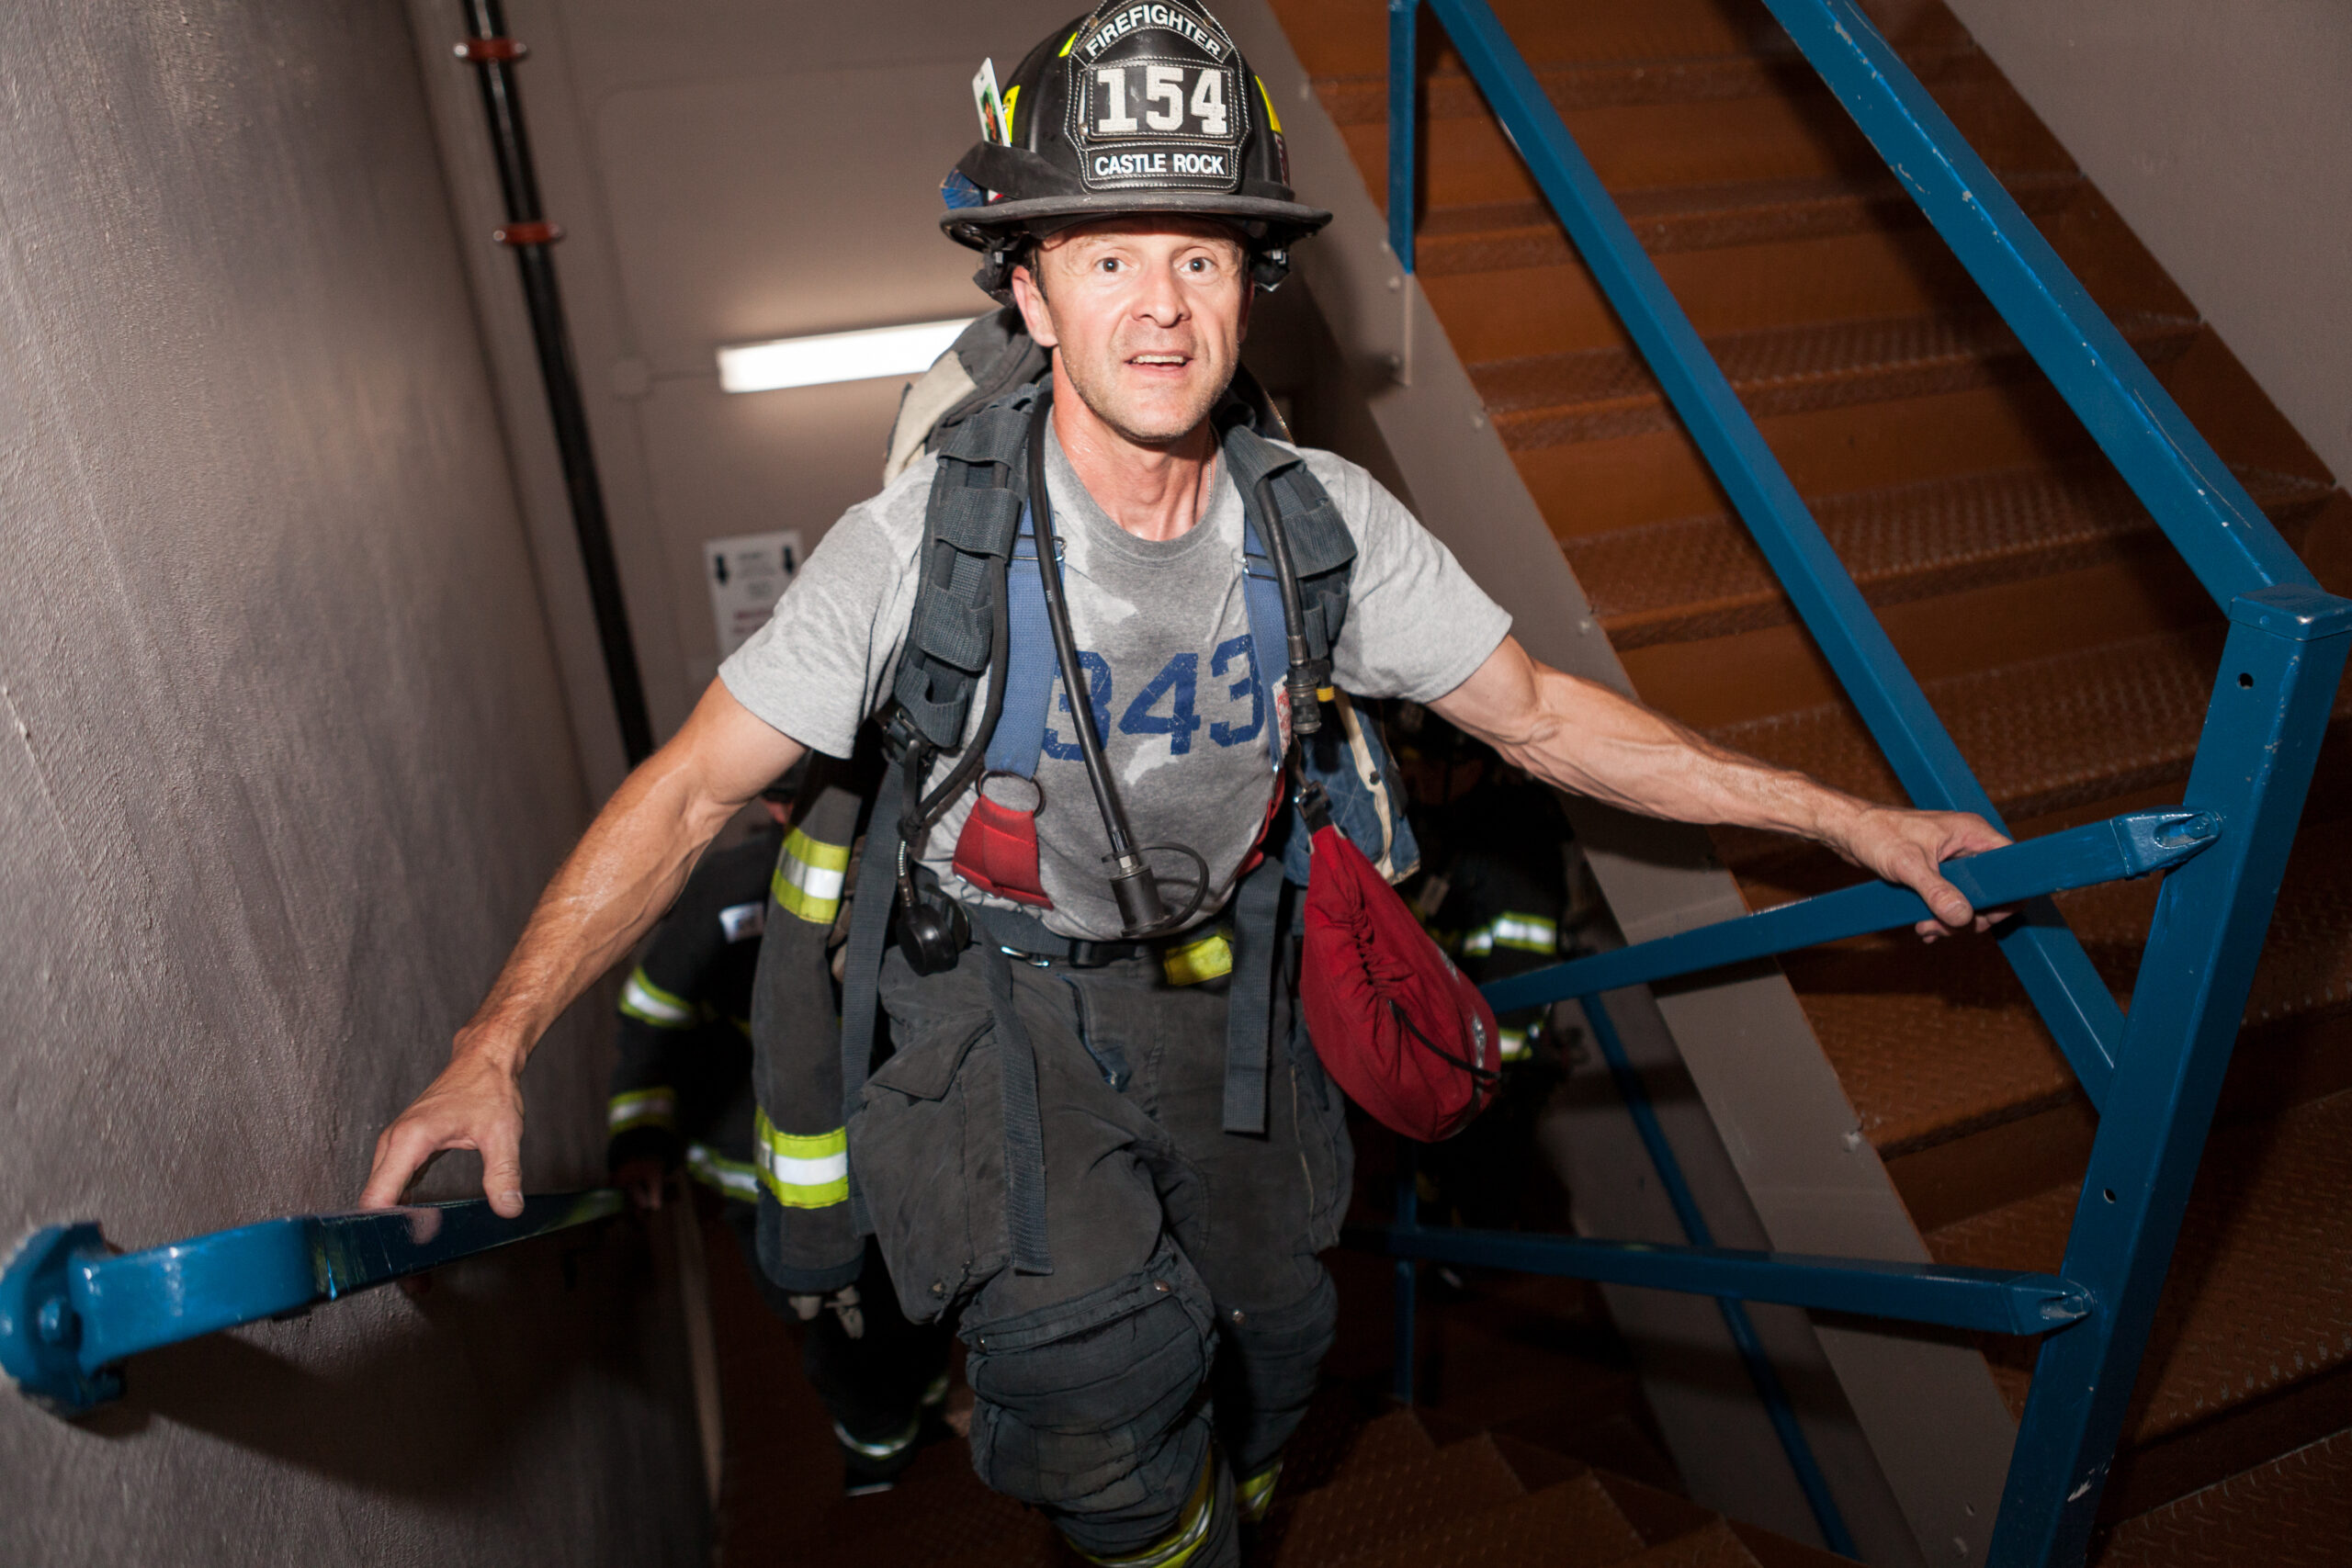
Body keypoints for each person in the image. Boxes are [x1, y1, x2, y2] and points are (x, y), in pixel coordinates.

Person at [362, 7, 2005, 1564]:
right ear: (1031, 295)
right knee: (1094, 1372)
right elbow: (682, 793)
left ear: (1250, 285)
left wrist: (1845, 819)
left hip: (1221, 994)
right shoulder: (920, 545)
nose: (1160, 307)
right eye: (1108, 257)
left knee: (1275, 1338)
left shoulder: (1322, 524)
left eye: (1200, 256)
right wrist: (493, 1045)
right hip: (992, 996)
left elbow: (1546, 720)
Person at [603, 773, 952, 1495]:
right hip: (761, 1181)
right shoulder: (727, 891)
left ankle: (922, 1424)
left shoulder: (903, 871)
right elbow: (651, 1018)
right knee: (835, 1338)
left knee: (918, 1307)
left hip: (887, 1167)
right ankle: (879, 1467)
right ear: (773, 800)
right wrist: (640, 1136)